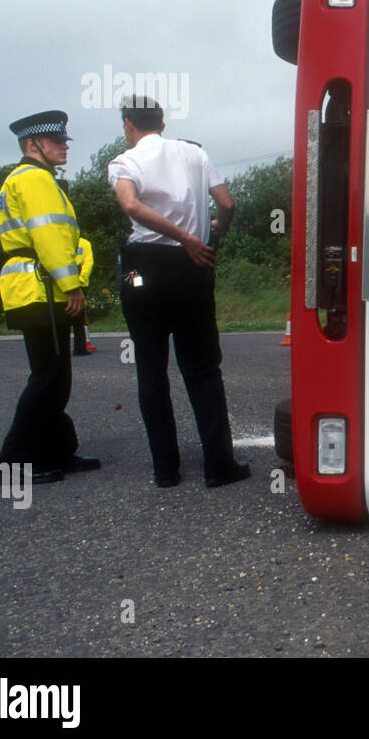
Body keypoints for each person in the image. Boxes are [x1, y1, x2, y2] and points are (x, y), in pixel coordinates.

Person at [108, 95, 250, 487]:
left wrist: (182, 238)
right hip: (192, 268)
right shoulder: (194, 155)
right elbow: (227, 201)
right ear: (163, 123)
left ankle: (165, 470)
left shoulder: (124, 162)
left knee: (151, 370)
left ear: (128, 124)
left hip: (144, 270)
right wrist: (208, 237)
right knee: (203, 369)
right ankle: (219, 466)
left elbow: (132, 207)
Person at [0, 110, 101, 483]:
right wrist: (71, 284)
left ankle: (57, 451)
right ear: (32, 145)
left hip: (34, 286)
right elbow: (49, 237)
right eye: (56, 141)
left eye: (64, 140)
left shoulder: (29, 179)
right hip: (40, 288)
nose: (64, 147)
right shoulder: (34, 179)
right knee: (47, 377)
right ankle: (14, 461)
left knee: (55, 376)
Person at [72, 235, 98, 355]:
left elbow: (88, 263)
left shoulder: (83, 243)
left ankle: (79, 347)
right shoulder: (84, 243)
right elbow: (88, 263)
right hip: (79, 283)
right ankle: (80, 348)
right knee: (79, 317)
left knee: (68, 316)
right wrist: (81, 280)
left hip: (63, 283)